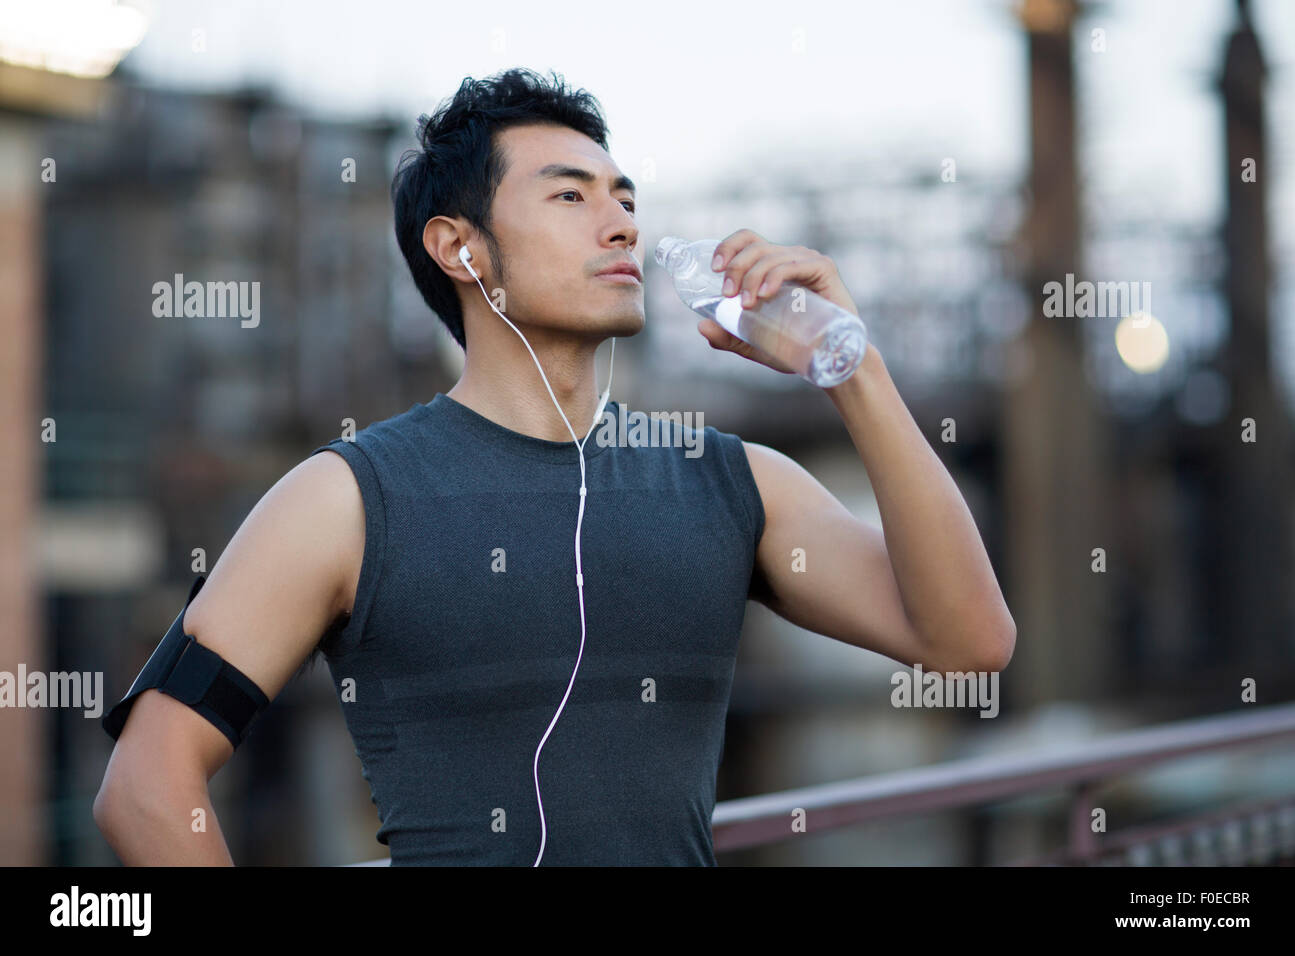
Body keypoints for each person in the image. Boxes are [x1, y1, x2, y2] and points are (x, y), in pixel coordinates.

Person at [93, 67, 1015, 866]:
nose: (619, 225)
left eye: (625, 199)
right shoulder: (346, 500)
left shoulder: (734, 481)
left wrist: (852, 364)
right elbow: (145, 782)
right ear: (461, 248)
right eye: (570, 196)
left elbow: (969, 642)